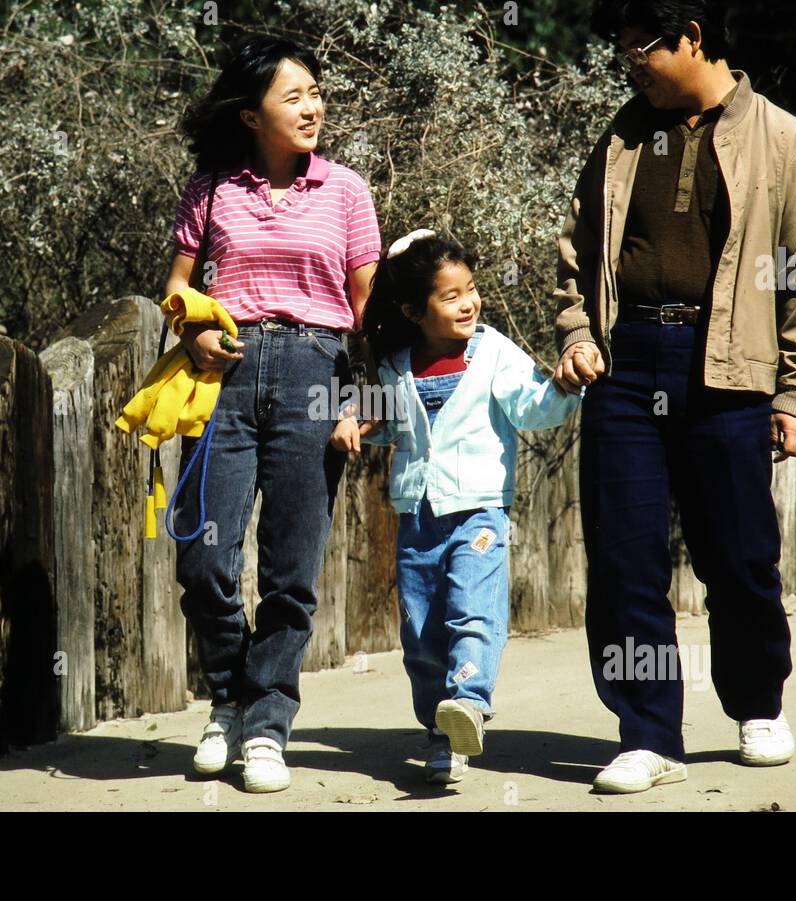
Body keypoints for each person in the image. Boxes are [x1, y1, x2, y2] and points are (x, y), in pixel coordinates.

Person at [550, 0, 796, 793]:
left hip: (729, 366)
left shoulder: (788, 142)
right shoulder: (620, 135)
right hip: (626, 361)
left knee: (740, 554)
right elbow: (576, 252)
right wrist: (577, 333)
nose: (629, 65)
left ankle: (758, 704)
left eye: (639, 48)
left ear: (693, 38)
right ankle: (647, 733)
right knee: (622, 559)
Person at [165, 36, 381, 793]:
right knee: (202, 561)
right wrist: (192, 328)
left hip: (314, 375)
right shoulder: (212, 189)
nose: (313, 106)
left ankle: (264, 726)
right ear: (252, 115)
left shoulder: (348, 191)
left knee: (291, 573)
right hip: (220, 380)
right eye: (294, 97)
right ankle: (227, 696)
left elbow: (368, 313)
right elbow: (177, 289)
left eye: (316, 92)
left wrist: (360, 400)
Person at [333, 230, 582, 784]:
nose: (468, 302)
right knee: (421, 633)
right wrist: (348, 419)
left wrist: (566, 387)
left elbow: (533, 406)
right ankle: (443, 735)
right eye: (450, 296)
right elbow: (382, 421)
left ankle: (469, 700)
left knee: (472, 610)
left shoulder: (492, 351)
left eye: (470, 289)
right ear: (413, 310)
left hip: (480, 512)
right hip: (417, 514)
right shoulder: (396, 365)